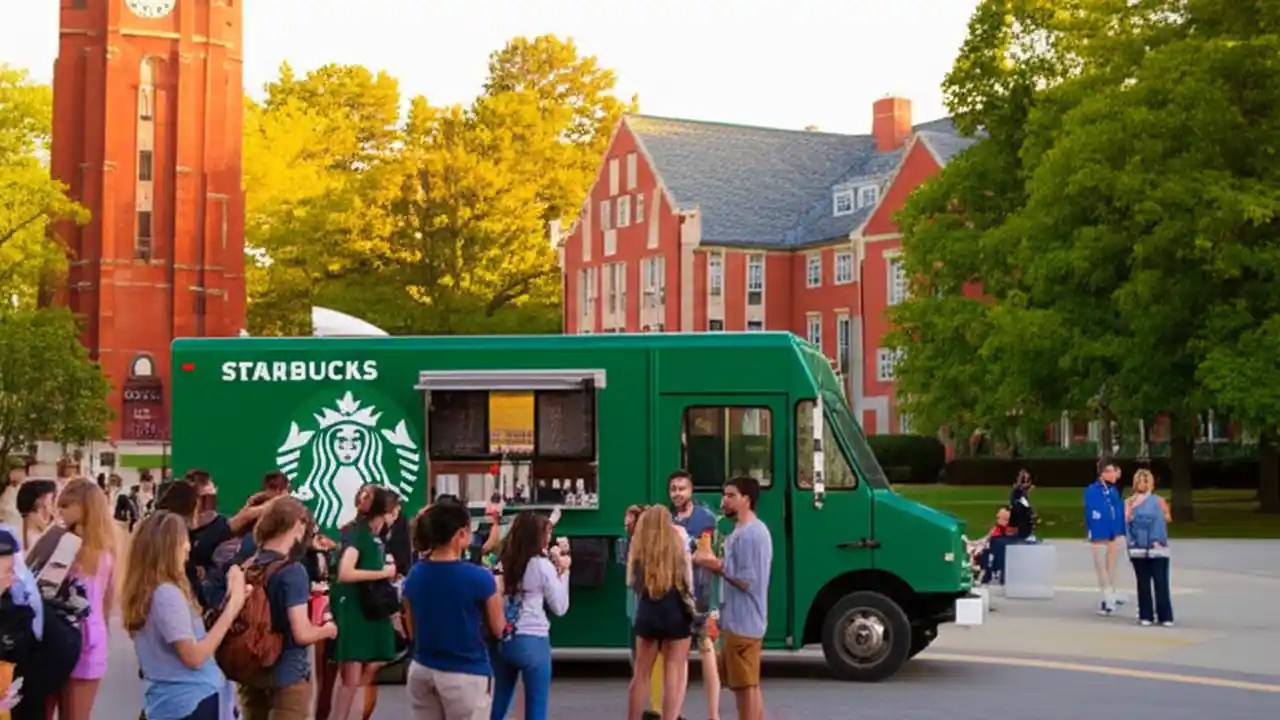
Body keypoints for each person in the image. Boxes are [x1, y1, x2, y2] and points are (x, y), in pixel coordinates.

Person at [122, 511, 244, 720]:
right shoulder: (166, 594)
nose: (187, 548)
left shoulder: (144, 592)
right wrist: (233, 608)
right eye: (183, 541)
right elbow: (193, 657)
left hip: (167, 700)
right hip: (192, 700)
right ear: (169, 548)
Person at [402, 502, 504, 719]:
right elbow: (498, 628)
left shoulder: (415, 574)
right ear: (460, 533)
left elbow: (411, 628)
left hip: (422, 668)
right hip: (466, 672)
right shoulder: (480, 578)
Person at [238, 496, 338, 719]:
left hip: (251, 672)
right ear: (297, 524)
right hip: (287, 673)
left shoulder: (249, 565)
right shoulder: (293, 572)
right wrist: (328, 629)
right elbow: (301, 633)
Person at [694, 476, 772, 720]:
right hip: (736, 621)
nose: (724, 501)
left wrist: (715, 565)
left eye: (731, 496)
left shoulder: (752, 533)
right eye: (724, 495)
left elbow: (748, 580)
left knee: (745, 687)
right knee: (746, 685)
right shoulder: (740, 531)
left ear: (746, 500)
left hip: (745, 622)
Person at [490, 512, 570, 720]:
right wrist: (564, 570)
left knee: (497, 704)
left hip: (503, 636)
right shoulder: (541, 566)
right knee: (536, 708)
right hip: (534, 639)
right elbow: (560, 606)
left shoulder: (500, 561)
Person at [330, 487, 401, 720]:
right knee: (351, 676)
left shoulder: (372, 537)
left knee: (359, 673)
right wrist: (382, 573)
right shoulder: (360, 536)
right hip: (357, 607)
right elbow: (346, 572)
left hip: (365, 606)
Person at [53, 478, 118, 720]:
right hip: (62, 638)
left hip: (85, 639)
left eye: (67, 505)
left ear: (85, 507)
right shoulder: (68, 543)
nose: (60, 511)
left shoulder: (97, 551)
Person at [626, 506, 694, 720]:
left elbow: (631, 582)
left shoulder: (640, 544)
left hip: (648, 607)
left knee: (641, 674)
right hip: (675, 608)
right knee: (674, 671)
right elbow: (689, 581)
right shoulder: (678, 540)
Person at [668, 470, 721, 720]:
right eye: (673, 489)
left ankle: (714, 715)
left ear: (691, 491)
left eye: (682, 488)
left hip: (702, 596)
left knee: (707, 650)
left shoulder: (706, 518)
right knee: (680, 656)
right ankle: (676, 712)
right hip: (676, 597)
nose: (677, 493)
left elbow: (709, 555)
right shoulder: (667, 520)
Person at [1125, 469, 1174, 627]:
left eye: (1146, 481)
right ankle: (1146, 614)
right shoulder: (1129, 502)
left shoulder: (1159, 501)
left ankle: (1165, 616)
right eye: (1140, 481)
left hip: (1157, 547)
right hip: (1138, 547)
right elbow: (1126, 521)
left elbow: (1167, 518)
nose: (1143, 484)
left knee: (1161, 582)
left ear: (1151, 483)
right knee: (1143, 582)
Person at [1084, 460, 1127, 615]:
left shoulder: (1113, 490)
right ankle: (1107, 595)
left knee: (1111, 567)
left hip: (1113, 534)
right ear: (1102, 473)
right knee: (1101, 566)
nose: (1114, 474)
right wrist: (1096, 532)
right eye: (1110, 471)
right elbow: (1094, 512)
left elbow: (1118, 511)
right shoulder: (1093, 490)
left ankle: (1109, 594)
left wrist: (1120, 531)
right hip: (1100, 534)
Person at [15, 480, 57, 550]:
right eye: (50, 496)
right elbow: (51, 535)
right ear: (39, 499)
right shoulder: (33, 516)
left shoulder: (30, 516)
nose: (52, 499)